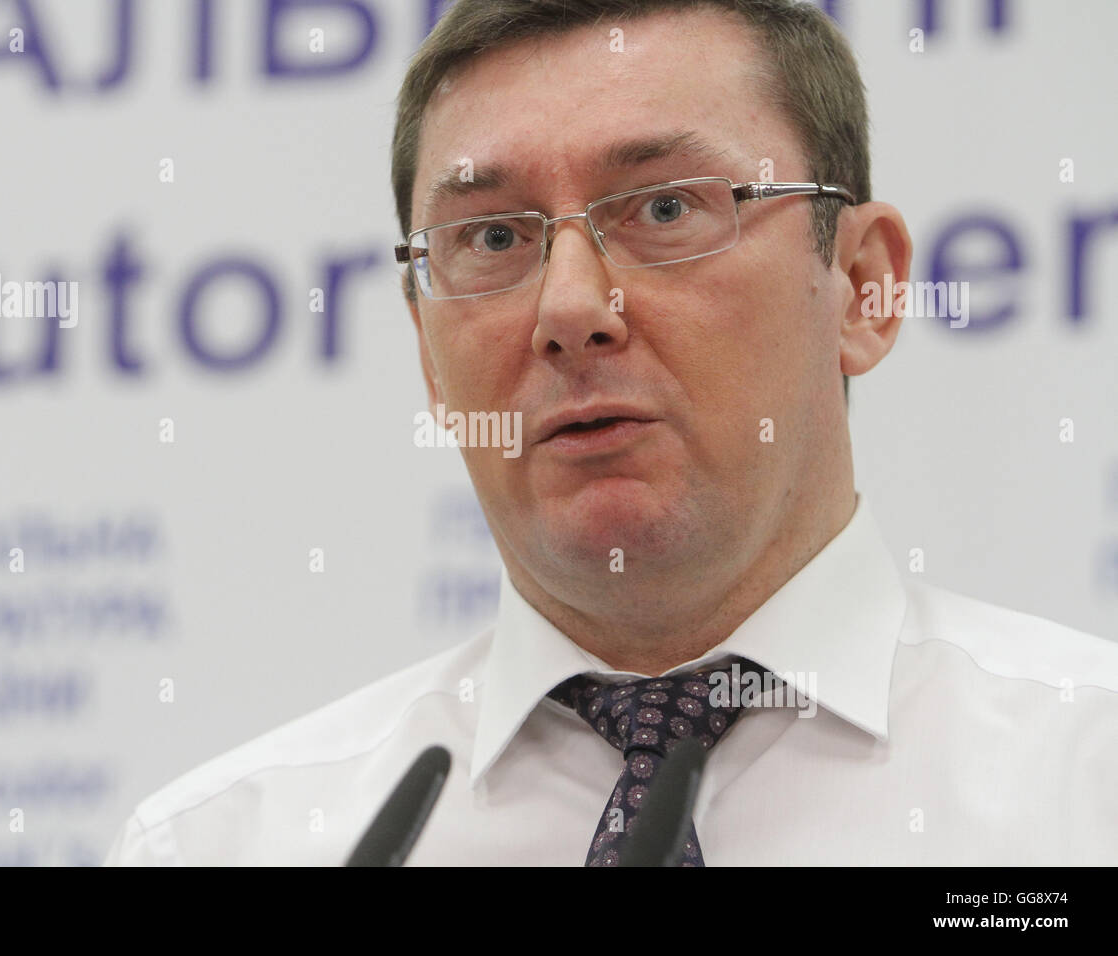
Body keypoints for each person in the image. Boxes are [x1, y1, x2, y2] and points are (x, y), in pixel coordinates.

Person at [104, 0, 1117, 866]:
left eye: (666, 207)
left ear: (860, 287)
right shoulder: (230, 845)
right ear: (425, 344)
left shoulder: (1085, 780)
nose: (568, 307)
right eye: (493, 237)